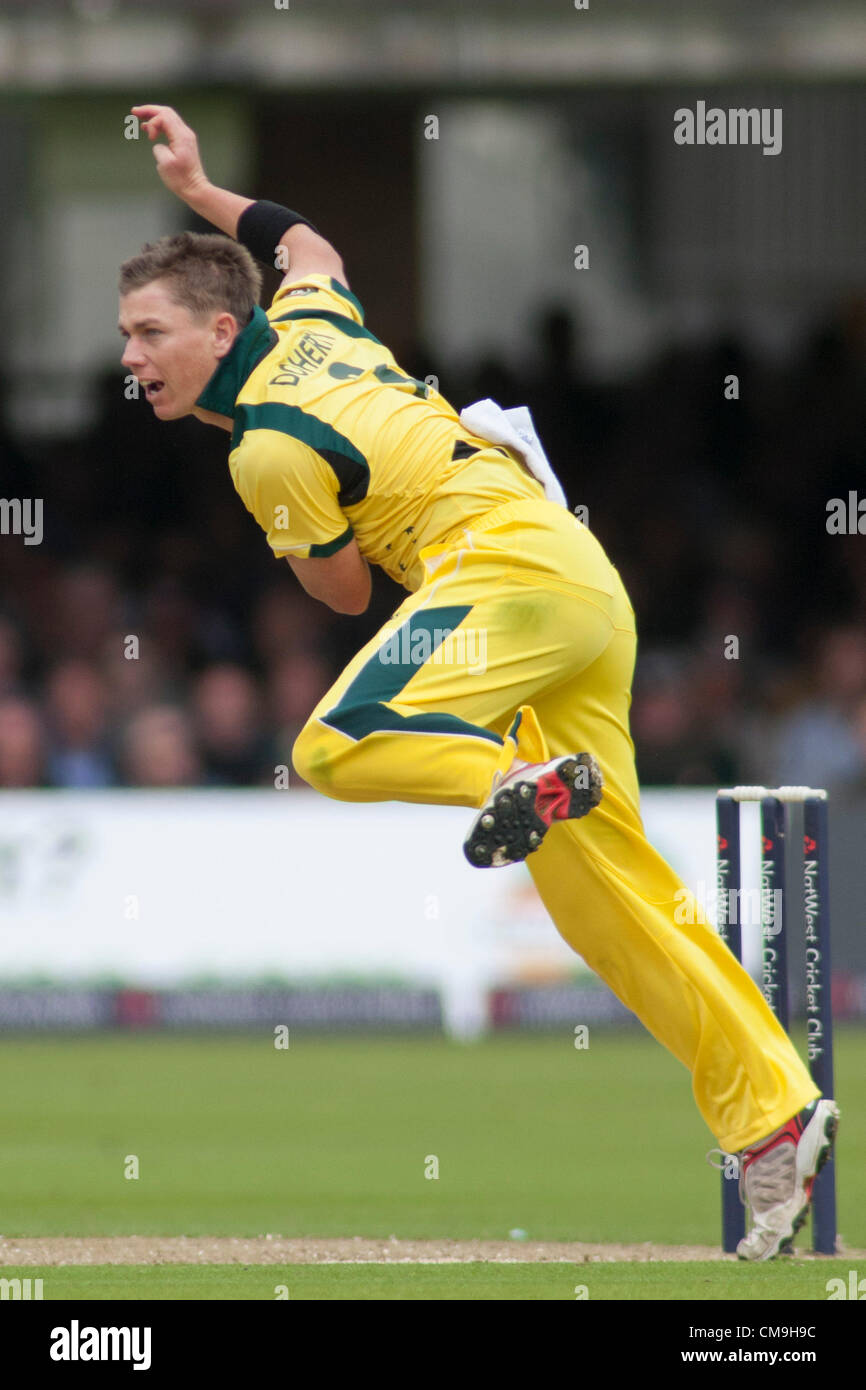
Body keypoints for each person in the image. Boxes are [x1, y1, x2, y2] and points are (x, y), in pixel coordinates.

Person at [119, 104, 838, 1261]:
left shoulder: (262, 448)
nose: (129, 359)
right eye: (123, 335)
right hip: (579, 584)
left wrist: (302, 534)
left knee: (332, 746)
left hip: (502, 574)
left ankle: (522, 776)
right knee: (606, 898)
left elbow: (347, 597)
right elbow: (307, 243)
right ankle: (771, 1118)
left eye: (149, 333)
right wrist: (202, 190)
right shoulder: (315, 317)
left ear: (219, 326)